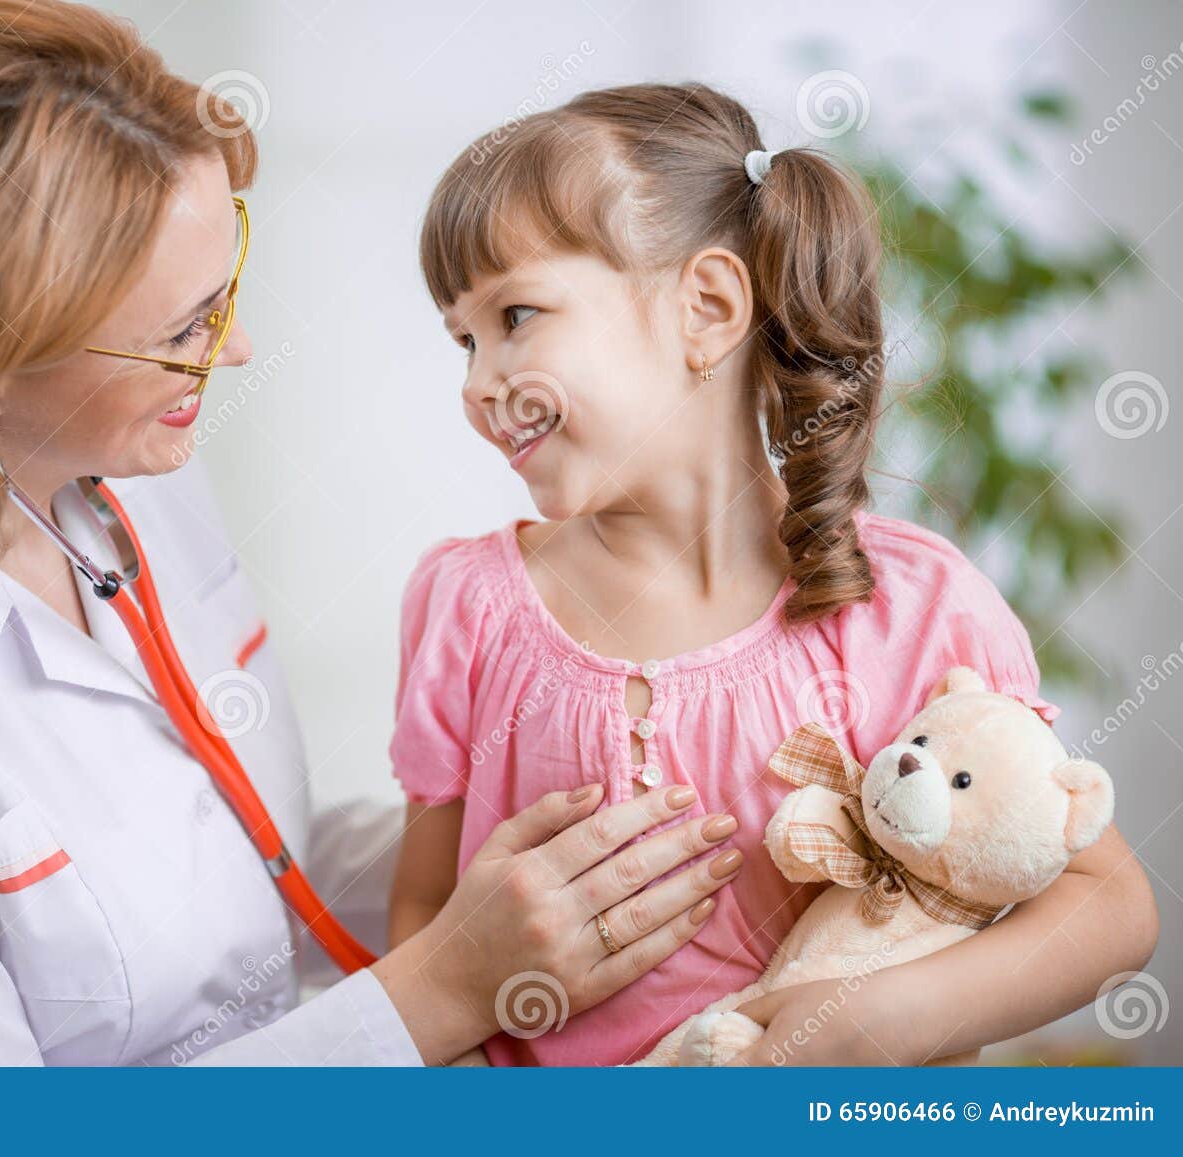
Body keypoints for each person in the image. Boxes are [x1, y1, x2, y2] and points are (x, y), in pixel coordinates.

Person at [0, 1, 740, 1067]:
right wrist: (442, 987)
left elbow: (244, 856)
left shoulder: (117, 477)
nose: (236, 347)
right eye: (181, 330)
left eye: (224, 286)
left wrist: (525, 856)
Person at [386, 83, 1158, 1065]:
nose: (476, 383)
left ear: (705, 308)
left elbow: (1107, 903)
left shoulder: (906, 609)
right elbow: (425, 916)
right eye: (462, 338)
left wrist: (888, 1022)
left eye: (516, 315)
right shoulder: (468, 605)